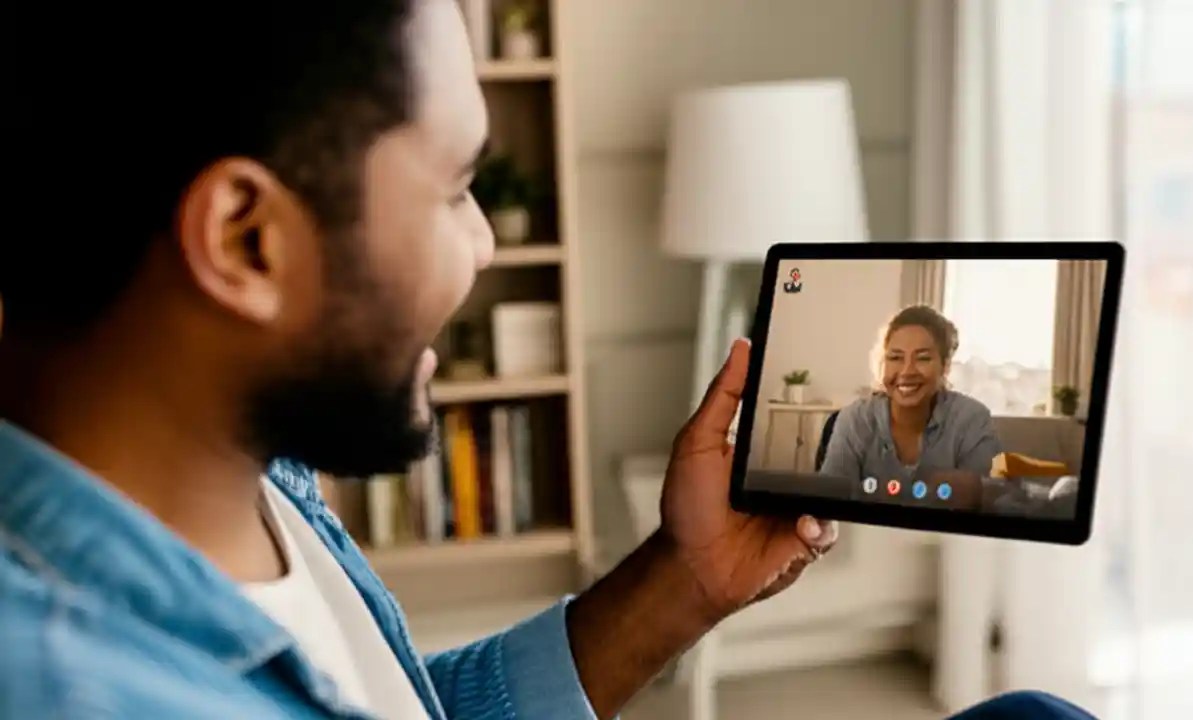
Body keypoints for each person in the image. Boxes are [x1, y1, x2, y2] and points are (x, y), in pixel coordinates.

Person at [0, 2, 1093, 718]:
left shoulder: (252, 475)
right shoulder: (77, 687)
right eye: (452, 187)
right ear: (246, 239)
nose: (482, 246)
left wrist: (682, 580)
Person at [819, 305, 1001, 510]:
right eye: (895, 358)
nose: (907, 371)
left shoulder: (972, 419)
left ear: (945, 365)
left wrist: (976, 491)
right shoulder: (854, 419)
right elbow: (829, 503)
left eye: (923, 358)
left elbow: (990, 504)